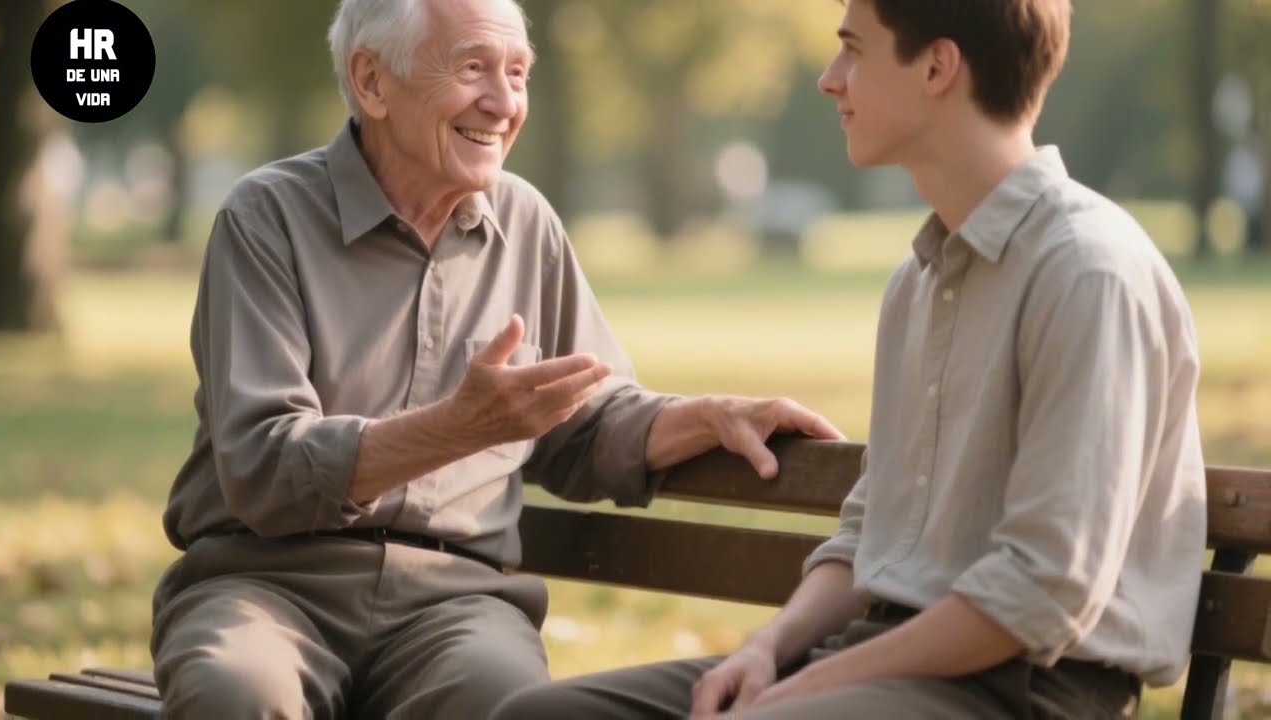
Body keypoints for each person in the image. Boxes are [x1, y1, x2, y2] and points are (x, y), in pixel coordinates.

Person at [492, 0, 1207, 718]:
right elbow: (871, 533)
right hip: (879, 662)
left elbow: (1043, 595)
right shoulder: (919, 282)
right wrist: (767, 650)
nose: (830, 79)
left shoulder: (1086, 273)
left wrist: (812, 685)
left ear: (937, 67)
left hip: (1026, 690)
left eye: (854, 50)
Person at [149, 0, 843, 717]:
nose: (506, 103)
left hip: (454, 604)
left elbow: (585, 422)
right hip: (267, 585)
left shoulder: (527, 222)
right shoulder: (266, 218)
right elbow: (264, 466)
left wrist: (709, 417)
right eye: (474, 68)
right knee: (237, 693)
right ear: (372, 82)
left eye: (518, 73)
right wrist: (456, 427)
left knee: (504, 705)